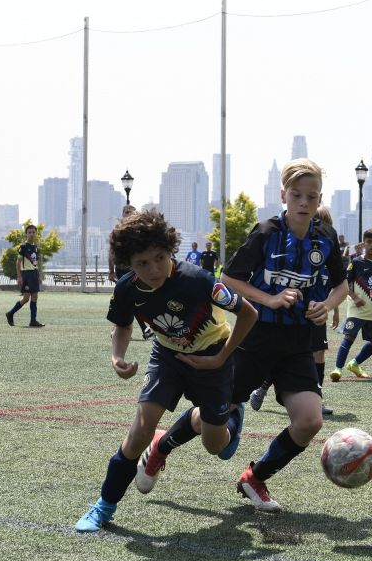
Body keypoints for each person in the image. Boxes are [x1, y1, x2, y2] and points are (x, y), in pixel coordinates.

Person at [74, 209, 258, 533]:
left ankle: (231, 412)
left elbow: (248, 314)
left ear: (170, 250)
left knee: (216, 447)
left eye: (160, 258)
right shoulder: (127, 288)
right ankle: (103, 507)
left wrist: (220, 358)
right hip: (167, 356)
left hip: (212, 356)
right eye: (142, 263)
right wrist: (117, 357)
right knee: (140, 431)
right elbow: (123, 326)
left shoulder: (198, 280)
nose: (154, 269)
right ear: (129, 264)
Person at [221, 158, 348, 513]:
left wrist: (327, 304)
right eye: (296, 195)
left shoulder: (326, 237)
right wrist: (270, 299)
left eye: (312, 196)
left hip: (298, 345)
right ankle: (161, 448)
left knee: (310, 420)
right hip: (256, 339)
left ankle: (254, 477)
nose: (304, 202)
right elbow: (229, 278)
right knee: (214, 414)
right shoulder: (265, 233)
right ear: (283, 195)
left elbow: (342, 286)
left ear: (320, 198)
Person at [249, 205, 339, 416]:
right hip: (295, 316)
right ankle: (262, 387)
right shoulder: (295, 249)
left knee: (319, 353)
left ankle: (317, 398)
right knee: (283, 355)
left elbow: (336, 285)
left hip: (317, 313)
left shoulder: (327, 249)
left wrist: (332, 308)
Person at [330, 227, 372, 382]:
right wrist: (355, 298)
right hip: (357, 310)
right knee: (349, 337)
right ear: (364, 243)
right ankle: (337, 369)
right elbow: (345, 284)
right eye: (369, 242)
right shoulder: (356, 262)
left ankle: (354, 364)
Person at [109, 205, 154, 340]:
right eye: (126, 212)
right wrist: (111, 271)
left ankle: (119, 328)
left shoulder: (139, 231)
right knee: (129, 298)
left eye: (131, 211)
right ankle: (143, 328)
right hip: (122, 269)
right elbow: (111, 252)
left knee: (136, 298)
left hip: (135, 268)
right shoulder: (117, 231)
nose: (128, 213)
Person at [5, 224, 45, 327]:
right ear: (26, 234)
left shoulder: (36, 248)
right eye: (29, 232)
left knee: (35, 297)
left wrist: (39, 275)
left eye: (33, 232)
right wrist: (19, 276)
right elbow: (18, 262)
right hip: (26, 274)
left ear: (36, 233)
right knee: (26, 298)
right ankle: (10, 313)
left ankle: (33, 321)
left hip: (34, 274)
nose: (31, 234)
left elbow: (35, 263)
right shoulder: (23, 247)